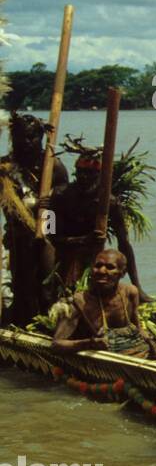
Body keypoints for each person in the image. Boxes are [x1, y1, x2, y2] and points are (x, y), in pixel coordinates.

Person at [45, 143, 143, 297]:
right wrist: (83, 240)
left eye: (90, 173)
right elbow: (49, 235)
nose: (84, 177)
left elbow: (124, 243)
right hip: (63, 257)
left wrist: (137, 286)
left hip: (94, 260)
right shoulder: (59, 195)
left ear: (99, 175)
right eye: (81, 172)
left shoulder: (109, 202)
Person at [0, 113, 67, 324]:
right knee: (21, 285)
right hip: (17, 233)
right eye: (22, 137)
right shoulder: (5, 167)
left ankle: (50, 323)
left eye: (32, 137)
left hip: (48, 230)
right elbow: (7, 203)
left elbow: (64, 201)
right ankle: (22, 323)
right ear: (13, 137)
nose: (27, 142)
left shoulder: (53, 166)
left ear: (41, 137)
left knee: (48, 284)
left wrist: (50, 207)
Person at [50, 248, 156, 359]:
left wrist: (152, 345)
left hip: (135, 353)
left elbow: (138, 328)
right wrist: (88, 343)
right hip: (105, 361)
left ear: (122, 273)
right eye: (98, 266)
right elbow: (56, 345)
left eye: (110, 267)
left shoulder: (130, 293)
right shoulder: (79, 302)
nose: (102, 271)